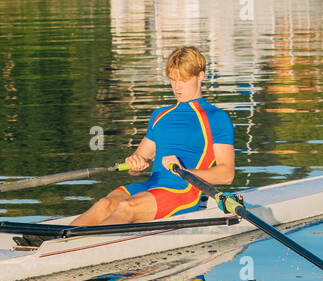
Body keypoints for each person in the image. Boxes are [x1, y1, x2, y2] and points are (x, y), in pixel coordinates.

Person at [72, 46, 235, 227]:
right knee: (105, 204)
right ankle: (51, 243)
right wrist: (135, 162)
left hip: (182, 192)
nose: (177, 87)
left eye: (183, 80)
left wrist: (183, 171)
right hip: (152, 187)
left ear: (200, 76)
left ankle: (80, 247)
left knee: (127, 207)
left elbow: (226, 175)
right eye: (173, 80)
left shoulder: (216, 118)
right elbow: (138, 165)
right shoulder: (160, 115)